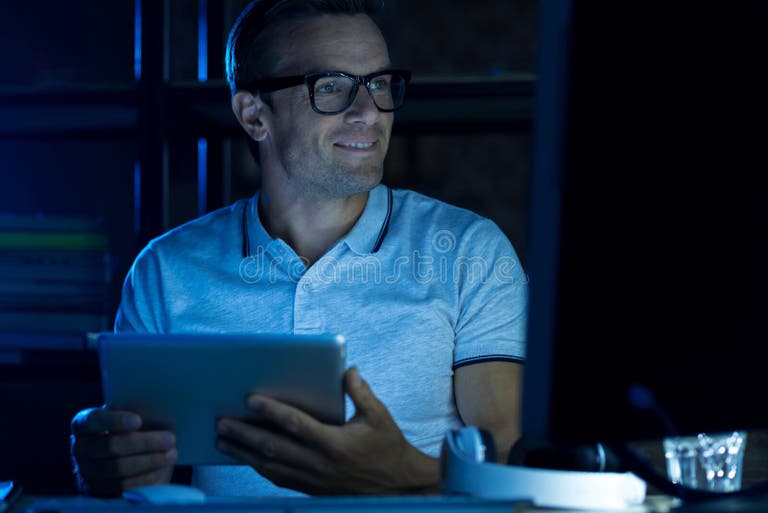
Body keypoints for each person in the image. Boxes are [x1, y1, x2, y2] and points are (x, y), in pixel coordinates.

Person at [70, 0, 528, 498]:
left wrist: (404, 477)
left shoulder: (470, 253)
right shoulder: (165, 271)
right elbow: (125, 475)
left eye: (378, 83)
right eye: (331, 86)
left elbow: (512, 458)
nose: (369, 111)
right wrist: (104, 467)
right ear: (253, 114)